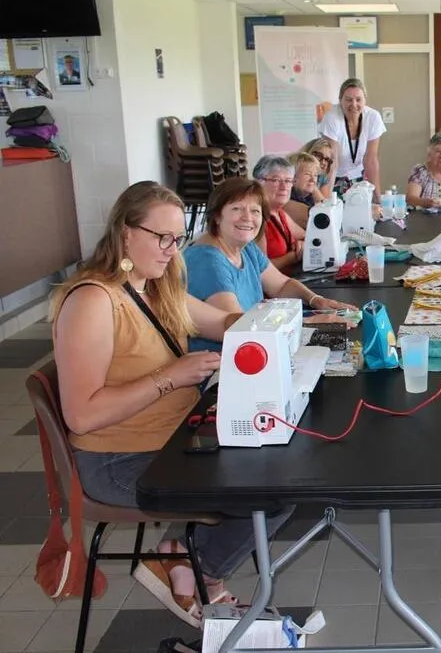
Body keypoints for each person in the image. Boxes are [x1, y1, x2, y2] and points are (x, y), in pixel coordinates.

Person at [50, 181, 294, 627]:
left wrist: (279, 320)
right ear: (125, 233)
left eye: (177, 238)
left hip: (170, 439)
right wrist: (171, 376)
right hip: (118, 459)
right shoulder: (93, 300)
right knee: (275, 487)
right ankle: (196, 570)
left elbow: (223, 322)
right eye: (161, 238)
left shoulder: (155, 287)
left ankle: (180, 552)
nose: (171, 250)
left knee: (283, 459)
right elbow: (81, 414)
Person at [184, 177, 357, 351]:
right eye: (237, 209)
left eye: (255, 211)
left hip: (261, 344)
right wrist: (309, 323)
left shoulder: (245, 247)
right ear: (216, 216)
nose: (247, 218)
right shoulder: (207, 260)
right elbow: (239, 328)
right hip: (227, 361)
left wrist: (317, 300)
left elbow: (282, 285)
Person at [318, 78, 386, 199]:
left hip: (359, 177)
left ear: (365, 100)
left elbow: (371, 159)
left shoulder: (373, 117)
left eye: (358, 100)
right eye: (348, 100)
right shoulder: (332, 118)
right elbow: (332, 162)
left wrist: (378, 197)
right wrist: (327, 199)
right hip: (335, 178)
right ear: (340, 101)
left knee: (365, 212)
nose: (354, 105)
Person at [253, 155, 305, 273]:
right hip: (272, 290)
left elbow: (308, 236)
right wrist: (293, 256)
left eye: (288, 181)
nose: (284, 187)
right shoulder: (256, 219)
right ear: (258, 183)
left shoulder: (280, 214)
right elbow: (260, 271)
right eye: (276, 180)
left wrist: (302, 244)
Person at [281, 152, 326, 228]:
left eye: (315, 175)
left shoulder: (309, 196)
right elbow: (324, 215)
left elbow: (327, 208)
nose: (313, 179)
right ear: (292, 177)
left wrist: (314, 187)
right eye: (308, 174)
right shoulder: (287, 197)